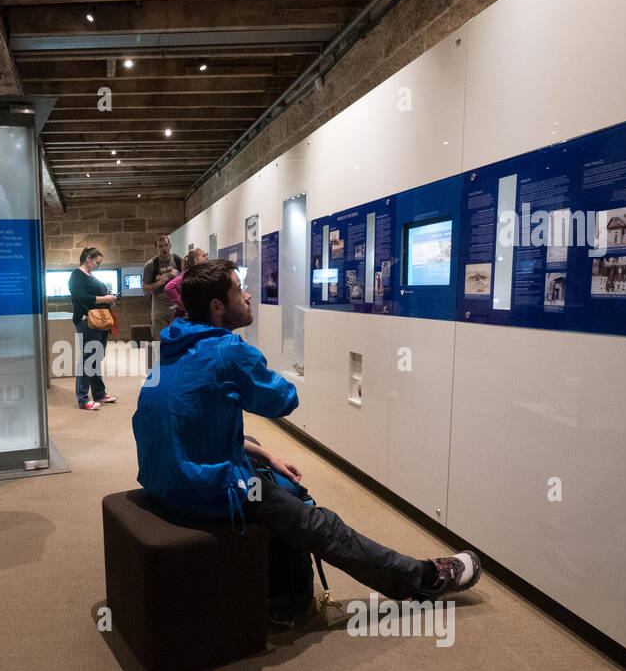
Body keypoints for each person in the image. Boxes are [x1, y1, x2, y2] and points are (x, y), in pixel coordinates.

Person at [132, 259, 482, 625]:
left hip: (165, 478)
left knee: (259, 456)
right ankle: (422, 578)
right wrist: (250, 363)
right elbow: (283, 400)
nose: (249, 295)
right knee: (320, 524)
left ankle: (289, 600)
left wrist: (266, 454)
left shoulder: (175, 342)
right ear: (218, 306)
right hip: (204, 491)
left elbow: (194, 423)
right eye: (239, 290)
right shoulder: (227, 351)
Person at [68, 247, 118, 411]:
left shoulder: (89, 276)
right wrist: (105, 298)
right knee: (88, 358)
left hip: (99, 321)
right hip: (88, 321)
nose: (99, 265)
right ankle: (83, 398)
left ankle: (98, 392)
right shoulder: (77, 275)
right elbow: (81, 297)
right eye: (97, 262)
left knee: (96, 357)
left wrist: (109, 299)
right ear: (88, 258)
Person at [142, 234, 180, 343]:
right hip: (160, 311)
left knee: (178, 343)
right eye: (160, 246)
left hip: (177, 310)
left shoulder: (177, 260)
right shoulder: (151, 265)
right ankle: (160, 360)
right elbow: (145, 289)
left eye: (166, 245)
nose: (164, 248)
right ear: (156, 248)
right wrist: (160, 282)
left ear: (170, 246)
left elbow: (186, 280)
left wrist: (178, 276)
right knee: (161, 343)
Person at [162, 246, 208, 320]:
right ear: (196, 260)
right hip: (187, 317)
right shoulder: (187, 276)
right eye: (204, 256)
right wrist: (182, 304)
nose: (207, 257)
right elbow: (169, 287)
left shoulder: (197, 275)